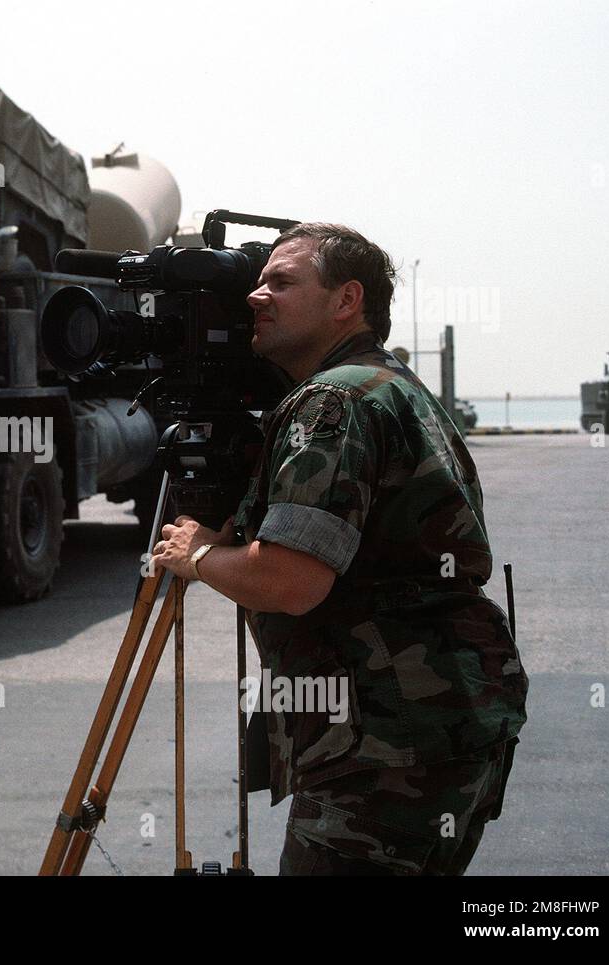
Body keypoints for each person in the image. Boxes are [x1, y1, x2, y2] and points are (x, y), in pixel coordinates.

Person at [149, 223, 528, 875]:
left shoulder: (333, 401)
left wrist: (200, 556)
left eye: (282, 282)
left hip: (387, 741)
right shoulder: (388, 384)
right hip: (445, 719)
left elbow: (292, 580)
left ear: (347, 299)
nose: (256, 297)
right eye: (258, 281)